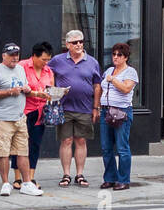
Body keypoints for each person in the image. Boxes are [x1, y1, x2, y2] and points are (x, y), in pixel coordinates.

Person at [0, 44, 42, 197]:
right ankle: (5, 183)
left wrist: (28, 90)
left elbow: (24, 88)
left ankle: (27, 183)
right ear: (3, 55)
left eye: (17, 54)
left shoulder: (20, 69)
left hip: (19, 117)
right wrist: (10, 92)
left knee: (23, 151)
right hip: (2, 119)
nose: (15, 57)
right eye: (11, 55)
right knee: (3, 153)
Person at [49, 30, 102, 187]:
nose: (79, 44)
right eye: (75, 42)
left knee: (81, 140)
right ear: (67, 45)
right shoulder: (57, 60)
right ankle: (66, 174)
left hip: (85, 107)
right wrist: (52, 94)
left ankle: (80, 174)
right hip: (63, 107)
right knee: (66, 140)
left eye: (81, 41)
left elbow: (97, 86)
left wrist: (96, 107)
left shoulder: (92, 62)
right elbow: (47, 75)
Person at [99, 43, 138, 190]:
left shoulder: (130, 72)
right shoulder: (109, 70)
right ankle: (110, 178)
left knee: (122, 147)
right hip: (106, 111)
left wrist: (113, 80)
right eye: (114, 54)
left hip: (121, 111)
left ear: (126, 57)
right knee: (106, 147)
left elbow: (126, 89)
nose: (115, 57)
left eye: (119, 55)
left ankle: (123, 180)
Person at [17, 42, 55, 189]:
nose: (46, 63)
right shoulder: (22, 66)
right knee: (20, 144)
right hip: (24, 110)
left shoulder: (48, 71)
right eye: (43, 59)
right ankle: (18, 177)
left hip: (41, 111)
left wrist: (55, 94)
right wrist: (36, 93)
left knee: (35, 144)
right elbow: (19, 87)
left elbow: (51, 88)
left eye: (48, 60)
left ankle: (31, 177)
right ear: (34, 56)